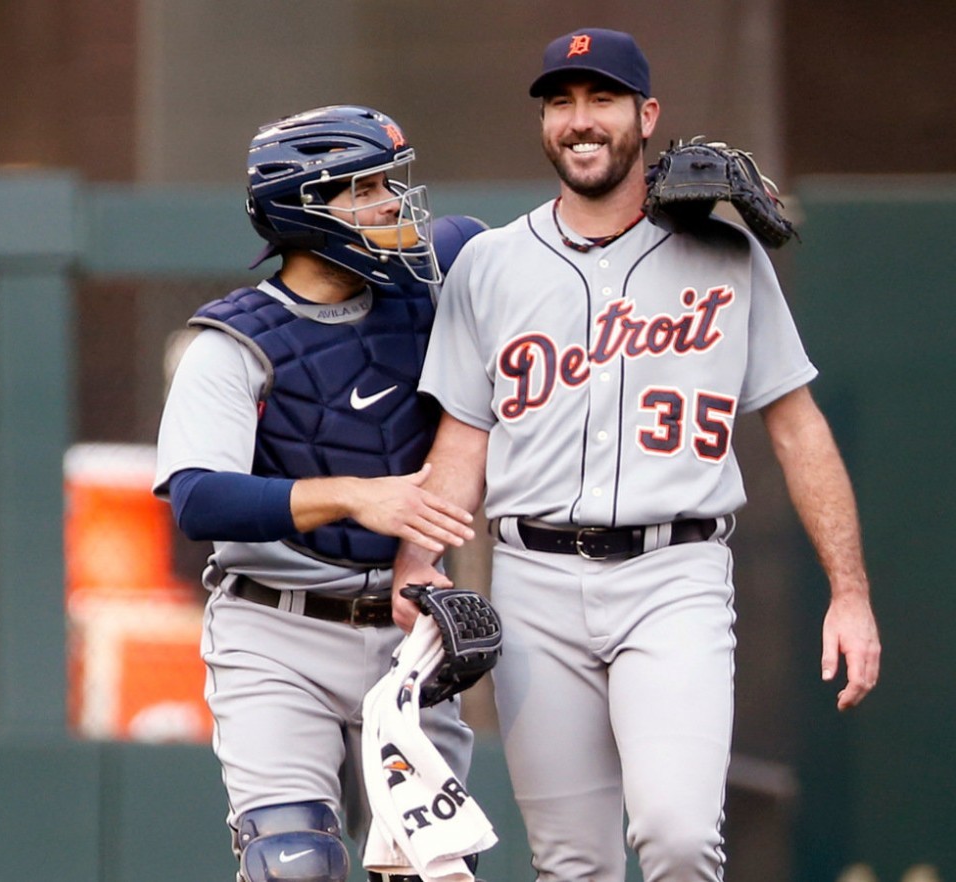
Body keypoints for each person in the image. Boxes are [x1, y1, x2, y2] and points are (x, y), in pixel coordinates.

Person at [392, 28, 881, 882]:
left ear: (646, 116)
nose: (580, 121)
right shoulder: (489, 266)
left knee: (680, 837)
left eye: (603, 99)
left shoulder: (727, 257)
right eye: (561, 102)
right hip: (534, 577)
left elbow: (798, 427)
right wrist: (417, 558)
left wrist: (850, 593)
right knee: (572, 862)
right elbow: (464, 437)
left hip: (674, 574)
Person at [153, 105, 487, 882]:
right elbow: (199, 499)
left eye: (384, 182)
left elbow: (514, 251)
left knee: (429, 871)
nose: (389, 202)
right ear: (305, 208)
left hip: (412, 634)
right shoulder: (230, 341)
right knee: (295, 865)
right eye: (362, 187)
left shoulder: (431, 294)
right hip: (278, 628)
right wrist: (352, 496)